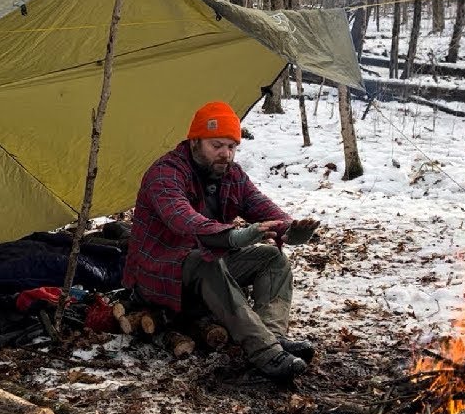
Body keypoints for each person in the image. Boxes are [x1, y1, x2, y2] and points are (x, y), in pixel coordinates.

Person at [123, 101, 321, 380]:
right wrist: (234, 236)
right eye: (217, 146)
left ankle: (272, 337)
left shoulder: (231, 174)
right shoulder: (165, 174)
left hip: (207, 266)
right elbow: (183, 220)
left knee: (272, 258)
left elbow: (259, 204)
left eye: (231, 147)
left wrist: (289, 228)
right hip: (161, 275)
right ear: (195, 142)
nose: (225, 154)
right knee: (208, 261)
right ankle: (264, 353)